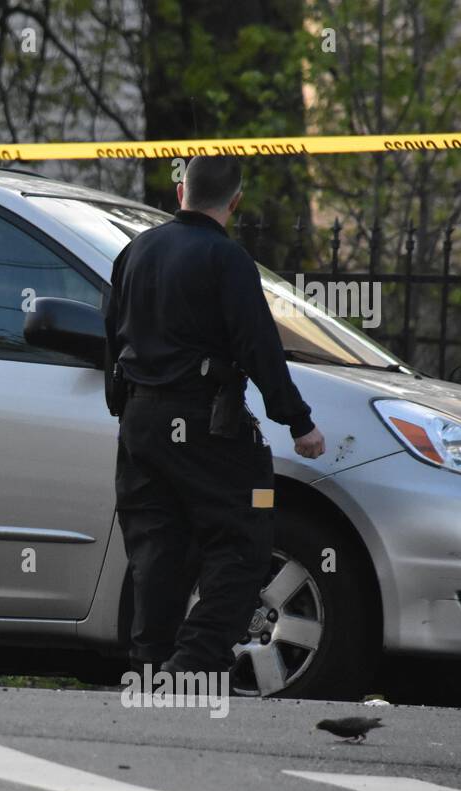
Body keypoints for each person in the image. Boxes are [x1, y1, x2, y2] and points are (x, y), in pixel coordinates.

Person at [104, 156, 325, 682]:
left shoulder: (134, 252)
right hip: (206, 422)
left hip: (140, 422)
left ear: (181, 189)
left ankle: (150, 664)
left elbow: (111, 338)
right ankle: (195, 660)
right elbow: (258, 347)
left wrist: (126, 409)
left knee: (155, 547)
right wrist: (298, 422)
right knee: (245, 536)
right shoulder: (226, 260)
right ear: (236, 200)